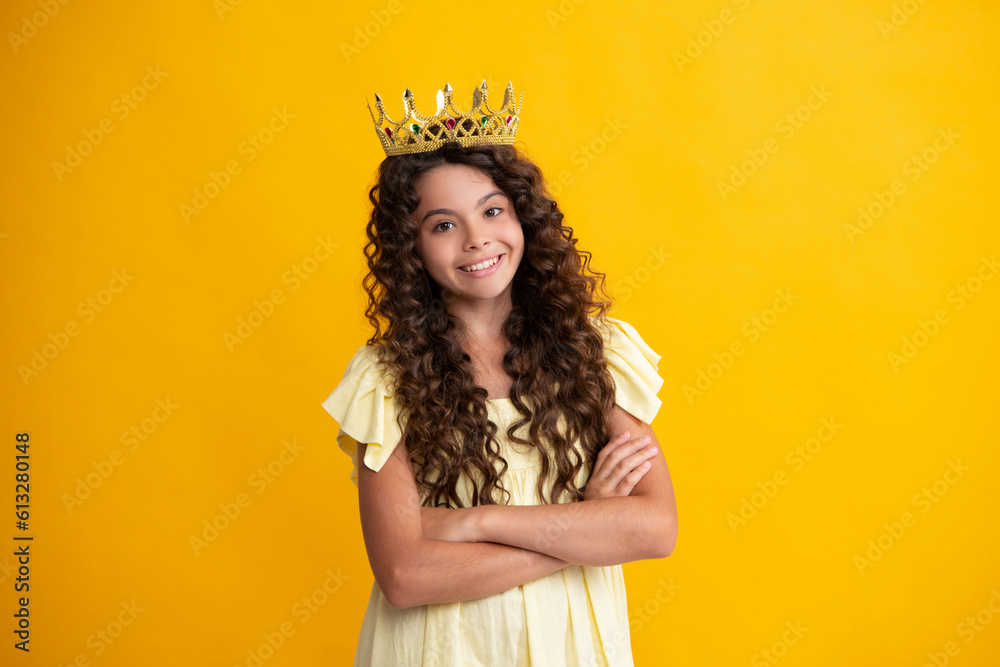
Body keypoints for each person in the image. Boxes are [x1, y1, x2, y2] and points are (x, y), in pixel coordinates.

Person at [321, 79, 678, 666]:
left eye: (491, 210)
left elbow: (654, 529)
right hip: (439, 650)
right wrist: (583, 527)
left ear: (523, 218)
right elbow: (407, 575)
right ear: (411, 249)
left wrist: (471, 523)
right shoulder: (385, 378)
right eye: (442, 225)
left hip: (572, 645)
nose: (476, 238)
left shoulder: (597, 353)